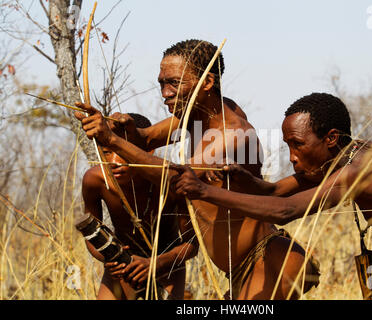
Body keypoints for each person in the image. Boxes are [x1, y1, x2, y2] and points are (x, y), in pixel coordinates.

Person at [74, 39, 319, 300]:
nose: (165, 92)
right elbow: (145, 139)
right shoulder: (196, 114)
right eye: (161, 83)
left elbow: (175, 178)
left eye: (174, 83)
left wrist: (112, 140)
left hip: (269, 261)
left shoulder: (234, 135)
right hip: (242, 271)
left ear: (207, 83)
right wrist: (125, 130)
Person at [170, 92, 372, 300]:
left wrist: (205, 191)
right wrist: (245, 180)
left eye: (299, 145)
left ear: (330, 138)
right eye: (288, 145)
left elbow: (285, 211)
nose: (292, 157)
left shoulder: (362, 169)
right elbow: (277, 192)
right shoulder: (343, 157)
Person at [81, 113, 197, 300]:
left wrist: (155, 264)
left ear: (147, 152)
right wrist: (111, 258)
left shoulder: (170, 181)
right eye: (107, 151)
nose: (114, 162)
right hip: (121, 263)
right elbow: (91, 233)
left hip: (166, 263)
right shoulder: (96, 180)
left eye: (123, 151)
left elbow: (191, 244)